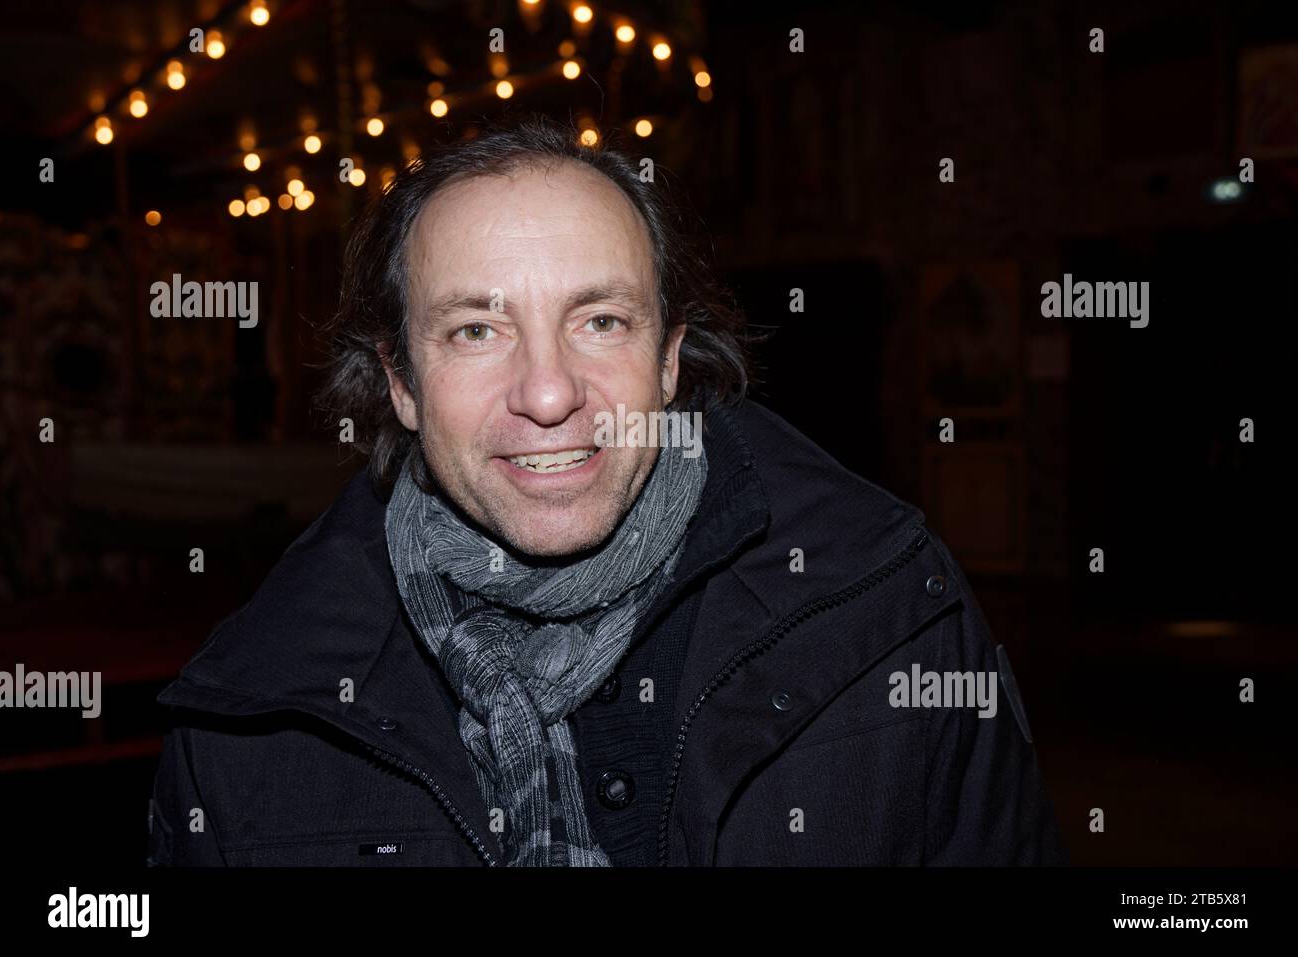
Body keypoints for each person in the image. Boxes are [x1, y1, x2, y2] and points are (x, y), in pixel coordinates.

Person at [147, 113, 1066, 867]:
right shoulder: (255, 710)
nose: (549, 391)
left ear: (669, 360)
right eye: (475, 329)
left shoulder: (890, 610)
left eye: (601, 319)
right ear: (400, 383)